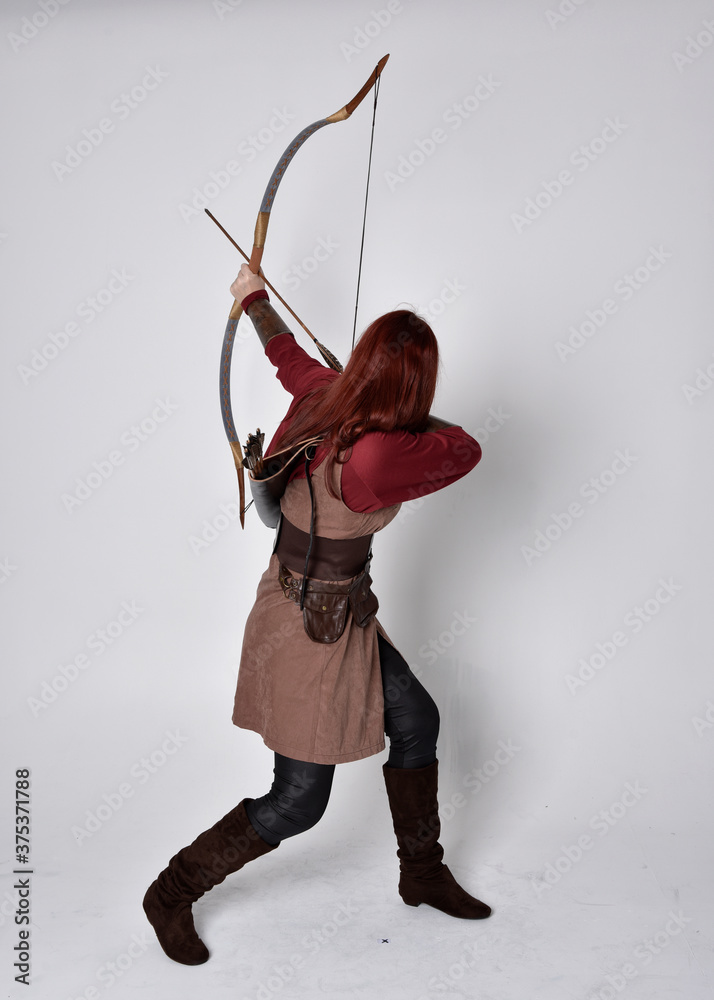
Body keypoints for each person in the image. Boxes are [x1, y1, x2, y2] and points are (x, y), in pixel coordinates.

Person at [143, 264, 491, 966]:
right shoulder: (381, 456)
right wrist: (397, 411)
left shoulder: (324, 393)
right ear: (415, 389)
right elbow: (466, 449)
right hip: (305, 631)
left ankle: (421, 873)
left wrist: (254, 299)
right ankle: (170, 893)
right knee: (298, 801)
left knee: (417, 719)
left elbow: (286, 355)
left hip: (337, 610)